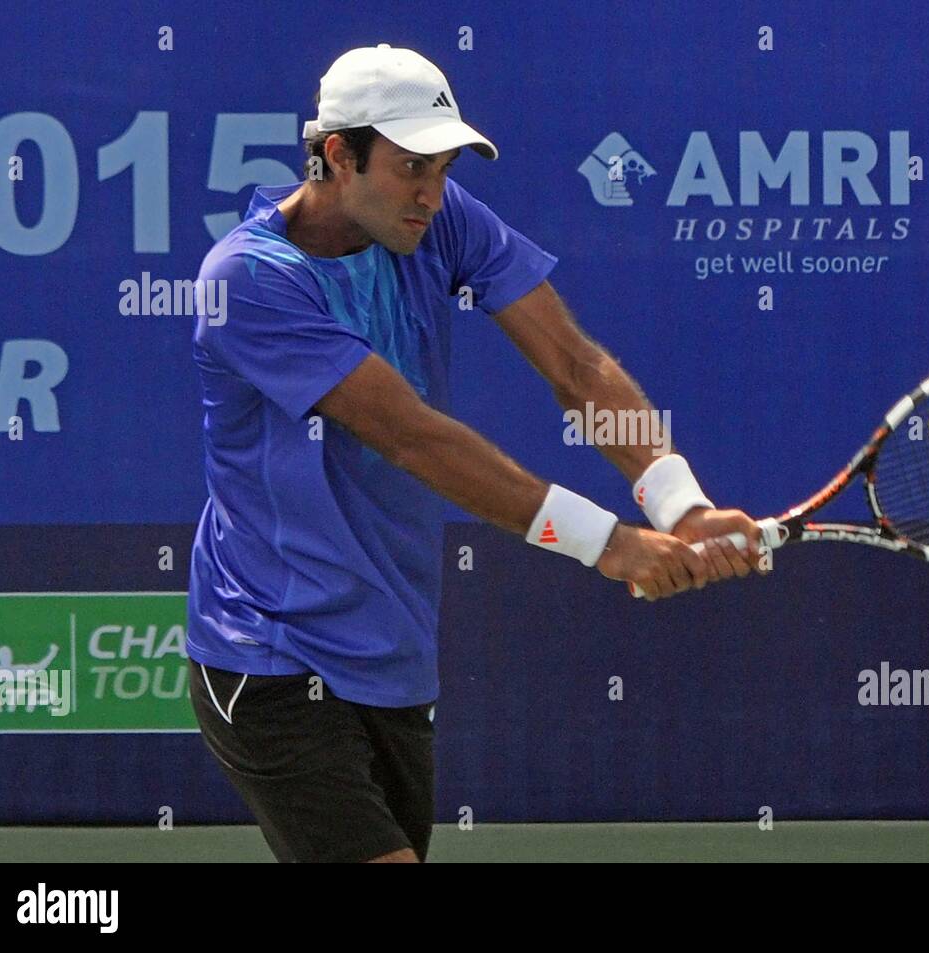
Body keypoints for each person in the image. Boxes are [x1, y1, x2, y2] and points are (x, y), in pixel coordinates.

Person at [185, 44, 765, 863]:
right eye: (412, 165)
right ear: (338, 155)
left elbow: (577, 366)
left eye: (445, 167)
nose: (432, 191)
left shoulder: (441, 219)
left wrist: (679, 503)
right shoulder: (246, 281)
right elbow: (411, 436)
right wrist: (610, 545)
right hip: (268, 651)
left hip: (394, 654)